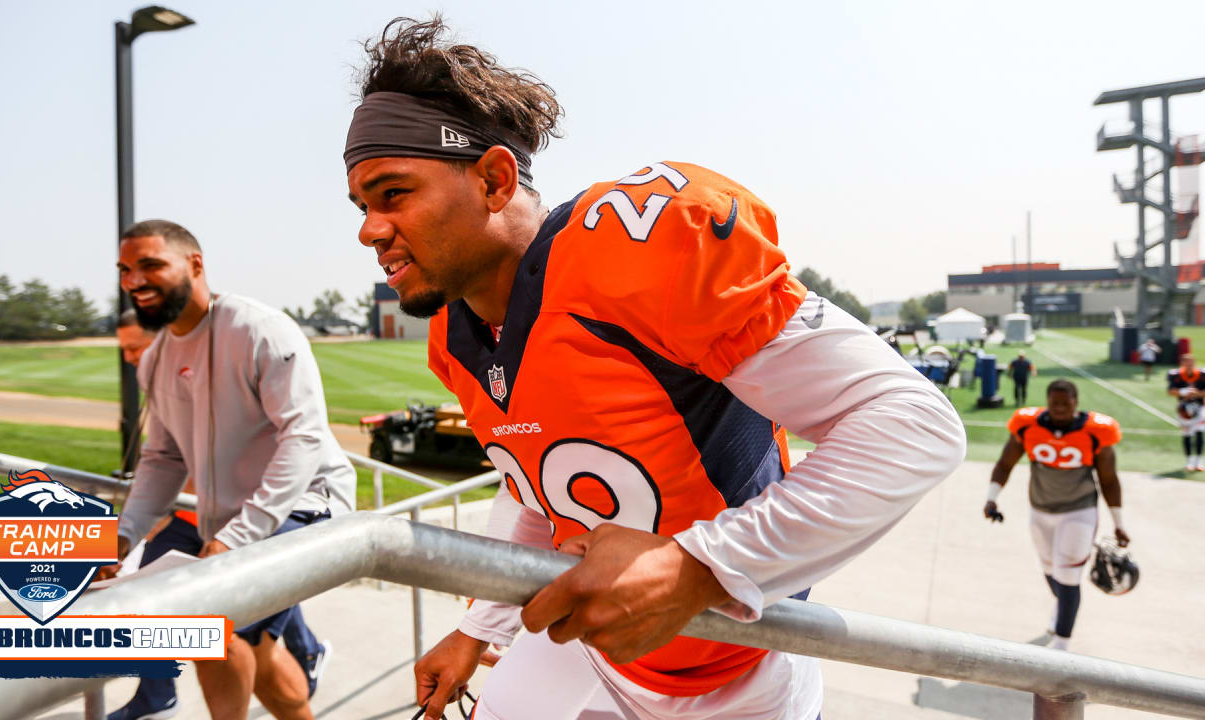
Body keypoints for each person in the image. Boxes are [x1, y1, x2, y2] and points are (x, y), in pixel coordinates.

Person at [342, 18, 965, 720]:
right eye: (362, 205)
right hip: (589, 646)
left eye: (393, 193)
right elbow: (535, 480)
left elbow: (914, 426)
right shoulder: (455, 337)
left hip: (737, 667)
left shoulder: (636, 246)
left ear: (493, 178)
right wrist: (477, 628)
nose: (370, 228)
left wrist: (700, 566)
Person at [99, 219, 356, 720]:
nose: (134, 280)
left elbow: (302, 438)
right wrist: (124, 534)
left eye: (150, 265)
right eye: (125, 270)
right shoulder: (156, 361)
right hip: (235, 525)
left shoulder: (260, 328)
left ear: (195, 264)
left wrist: (240, 535)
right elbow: (164, 458)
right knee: (254, 651)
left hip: (309, 504)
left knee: (213, 626)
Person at [984, 379, 1129, 651]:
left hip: (1078, 510)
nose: (1060, 408)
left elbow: (1109, 480)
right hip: (1040, 509)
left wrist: (1119, 524)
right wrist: (992, 498)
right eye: (1055, 403)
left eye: (1066, 403)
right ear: (1047, 402)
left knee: (1069, 575)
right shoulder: (1028, 425)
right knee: (1051, 570)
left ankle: (1062, 644)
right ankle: (1062, 609)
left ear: (1077, 401)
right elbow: (1005, 464)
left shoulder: (1095, 431)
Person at [1166, 353, 1205, 472]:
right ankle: (1189, 462)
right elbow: (1170, 391)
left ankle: (1198, 462)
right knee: (1187, 435)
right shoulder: (1176, 375)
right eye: (1186, 362)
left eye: (1191, 362)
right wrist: (1183, 392)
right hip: (1184, 410)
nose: (1189, 365)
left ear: (1194, 363)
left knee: (1199, 433)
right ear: (1182, 363)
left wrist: (1196, 393)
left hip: (1200, 408)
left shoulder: (1202, 375)